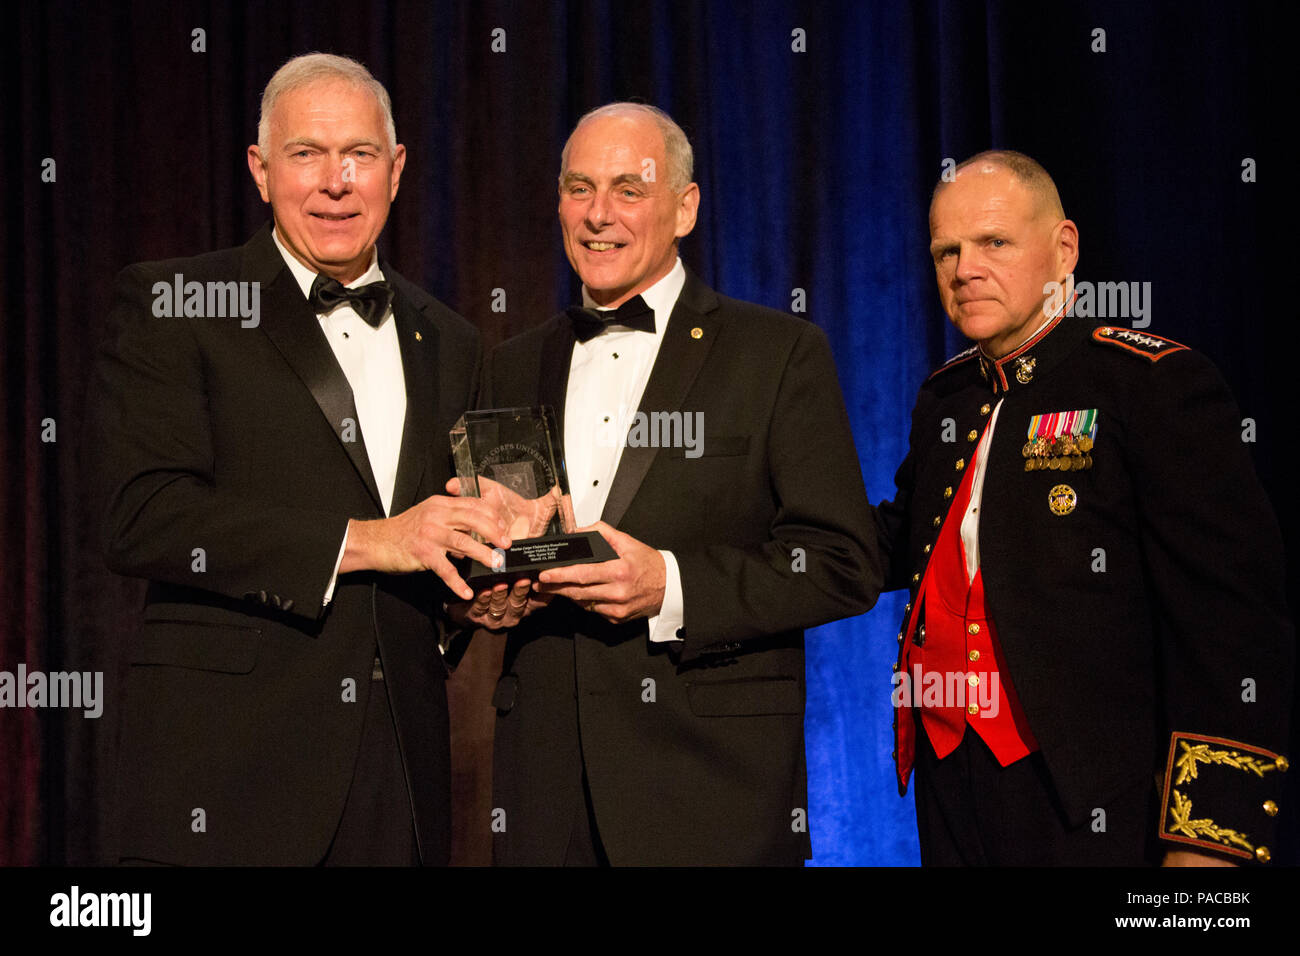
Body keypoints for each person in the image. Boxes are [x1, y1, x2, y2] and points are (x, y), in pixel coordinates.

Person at [89, 53, 512, 865]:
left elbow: (432, 549)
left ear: (396, 170)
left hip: (399, 777)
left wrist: (478, 598)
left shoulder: (451, 339)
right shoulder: (175, 303)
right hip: (227, 773)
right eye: (306, 153)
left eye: (359, 154)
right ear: (260, 169)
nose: (335, 182)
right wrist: (367, 540)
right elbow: (139, 517)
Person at [473, 102, 882, 866]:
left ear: (685, 208)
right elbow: (497, 547)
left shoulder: (778, 352)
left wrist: (670, 585)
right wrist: (484, 593)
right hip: (545, 797)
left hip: (714, 797)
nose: (598, 214)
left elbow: (842, 562)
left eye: (628, 189)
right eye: (579, 188)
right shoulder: (510, 364)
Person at [876, 150, 1293, 865]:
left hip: (1095, 796)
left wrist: (1208, 840)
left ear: (1063, 250)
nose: (965, 269)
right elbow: (900, 538)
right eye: (947, 250)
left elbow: (1232, 629)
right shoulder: (946, 396)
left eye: (994, 242)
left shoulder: (1150, 384)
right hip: (951, 784)